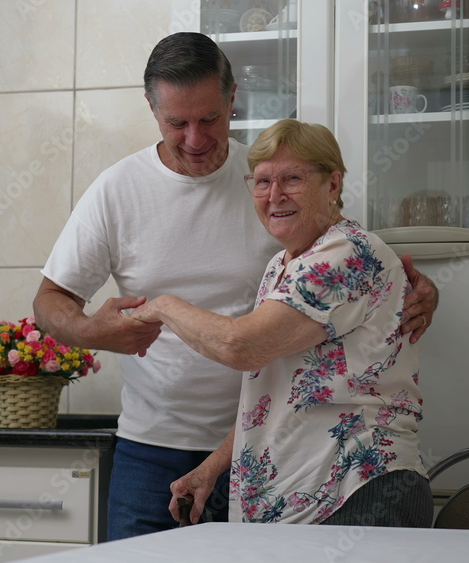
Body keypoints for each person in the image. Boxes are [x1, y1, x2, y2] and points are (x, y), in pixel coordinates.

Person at [33, 32, 438, 539]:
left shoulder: (270, 182)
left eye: (210, 119)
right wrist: (95, 331)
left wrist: (417, 292)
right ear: (152, 109)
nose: (196, 139)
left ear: (232, 99)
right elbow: (49, 302)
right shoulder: (118, 191)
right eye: (177, 123)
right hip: (168, 448)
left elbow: (345, 270)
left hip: (307, 466)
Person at [131, 119, 432, 527]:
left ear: (332, 184)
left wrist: (162, 306)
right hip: (303, 500)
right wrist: (212, 468)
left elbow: (240, 346)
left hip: (358, 491)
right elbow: (273, 391)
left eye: (292, 178)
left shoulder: (346, 253)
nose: (274, 195)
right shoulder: (283, 264)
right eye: (262, 181)